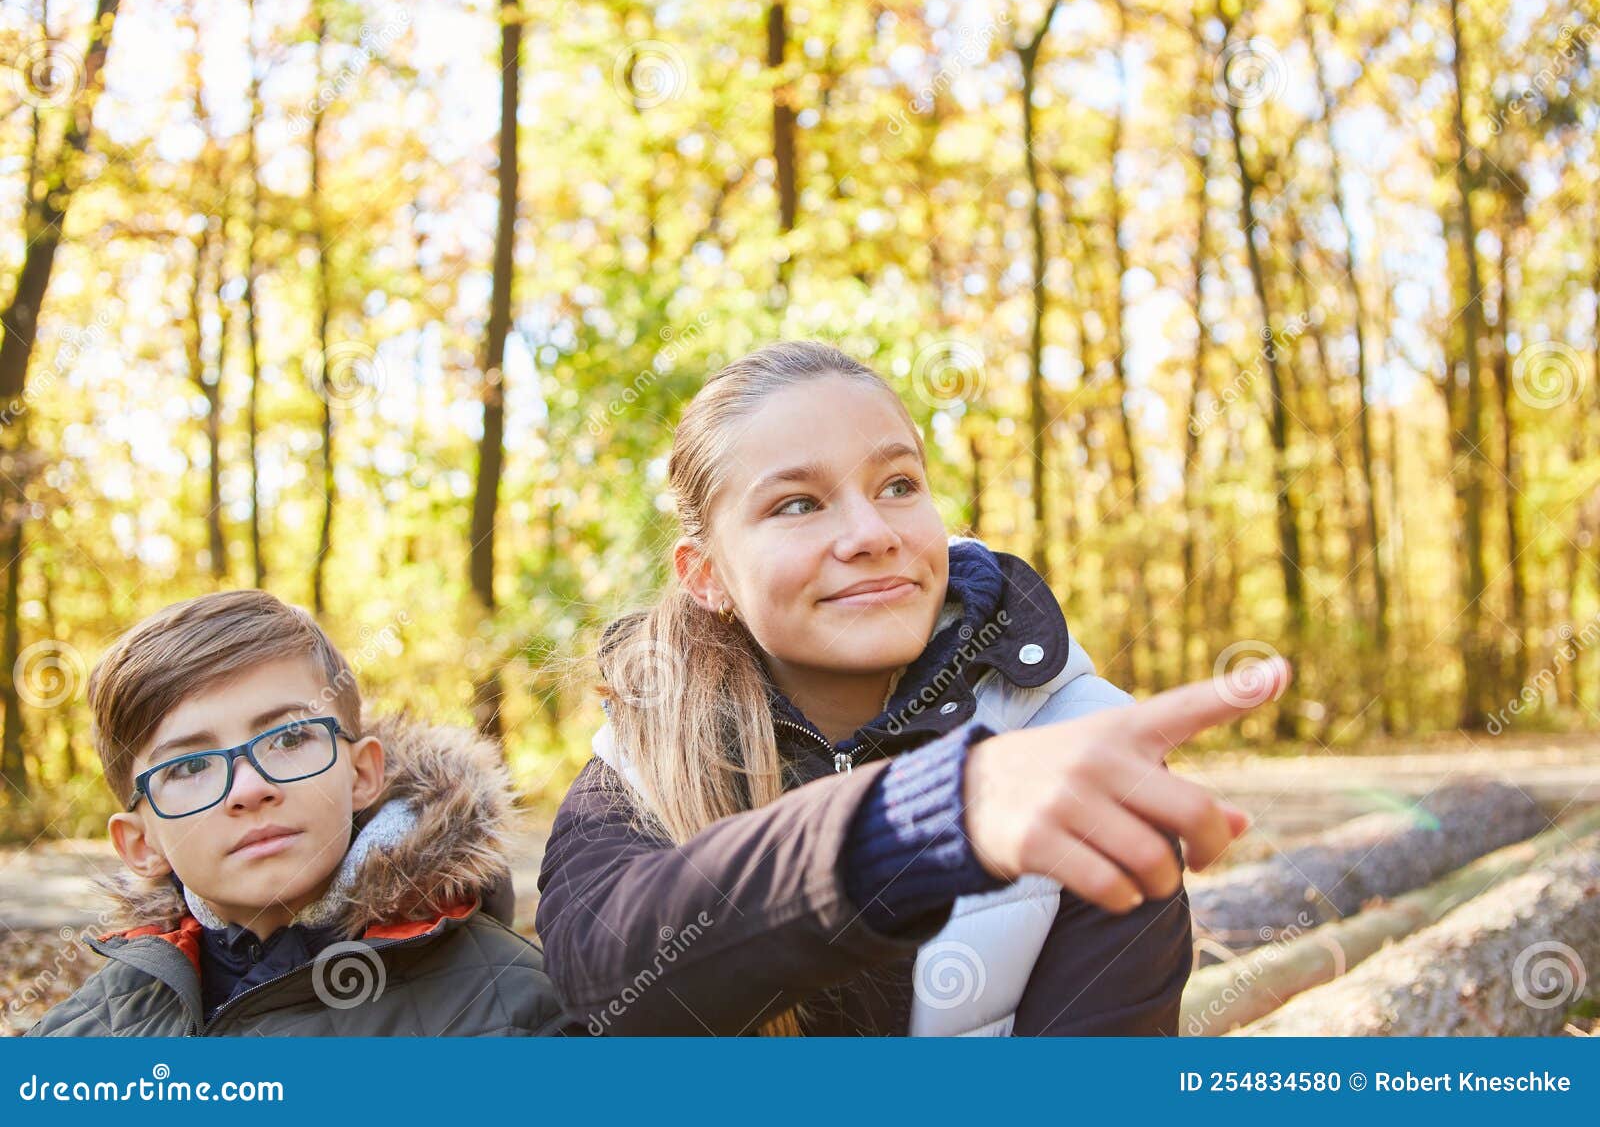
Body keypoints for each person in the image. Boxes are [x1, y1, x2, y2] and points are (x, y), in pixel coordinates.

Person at [536, 339, 1285, 1036]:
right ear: (706, 576)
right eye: (798, 503)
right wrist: (925, 817)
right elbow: (601, 980)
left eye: (897, 484)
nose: (870, 532)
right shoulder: (641, 757)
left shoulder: (1077, 742)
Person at [27, 589, 568, 1036]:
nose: (249, 787)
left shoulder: (516, 1016)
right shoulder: (74, 1039)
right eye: (190, 767)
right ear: (140, 845)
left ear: (360, 774)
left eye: (288, 737)